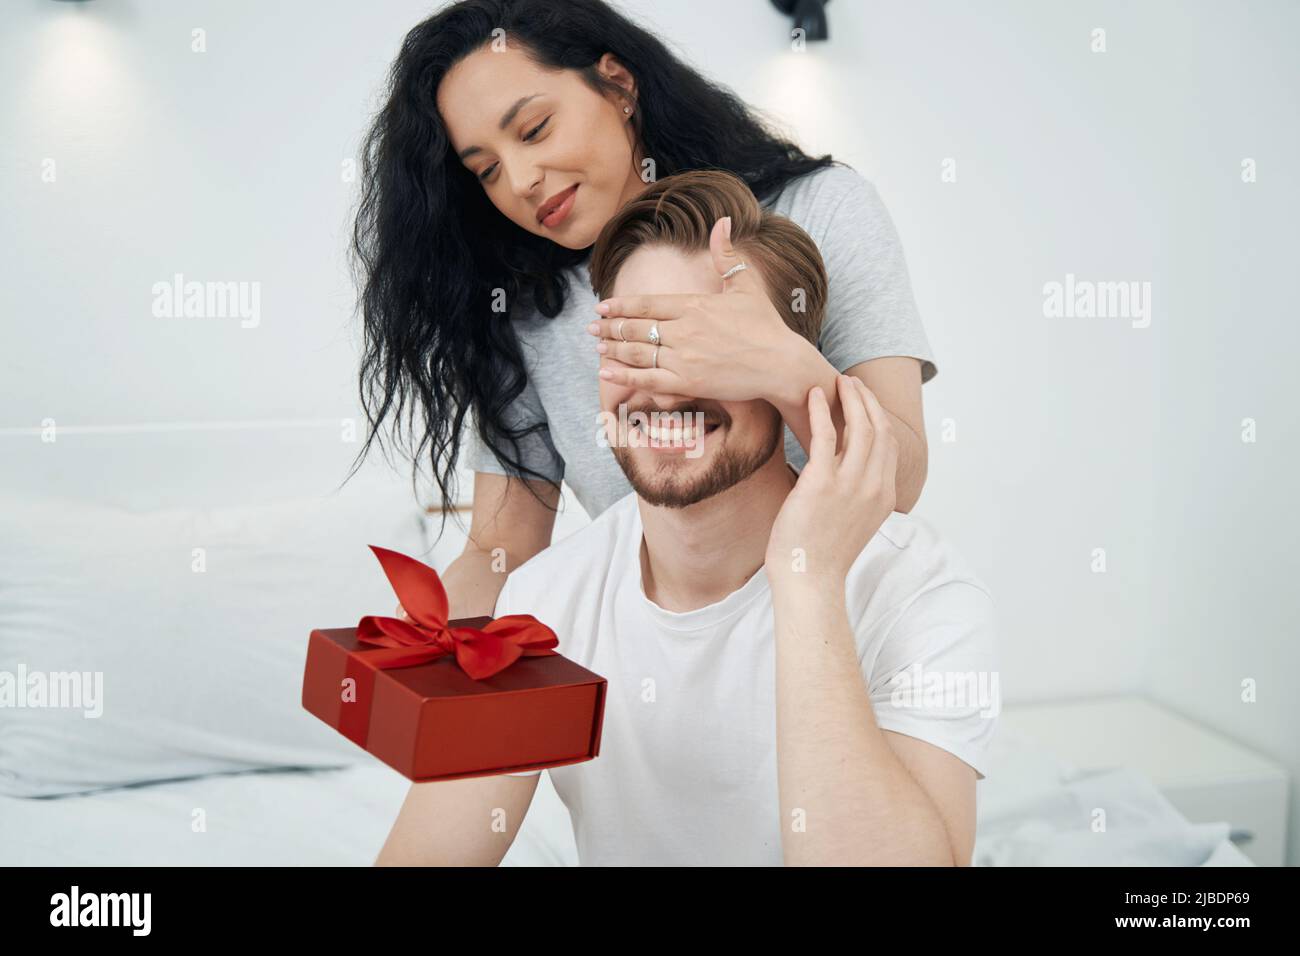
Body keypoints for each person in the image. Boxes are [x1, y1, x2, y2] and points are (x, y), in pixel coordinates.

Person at [375, 171, 998, 866]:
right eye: (633, 342)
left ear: (785, 369)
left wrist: (809, 579)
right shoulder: (546, 604)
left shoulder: (919, 596)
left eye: (707, 347)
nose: (664, 384)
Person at [349, 0, 937, 621]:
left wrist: (779, 365)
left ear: (618, 84)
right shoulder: (521, 308)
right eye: (487, 170)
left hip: (835, 622)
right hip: (658, 646)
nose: (520, 180)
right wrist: (409, 661)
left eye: (534, 130)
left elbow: (897, 486)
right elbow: (502, 550)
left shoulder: (818, 212)